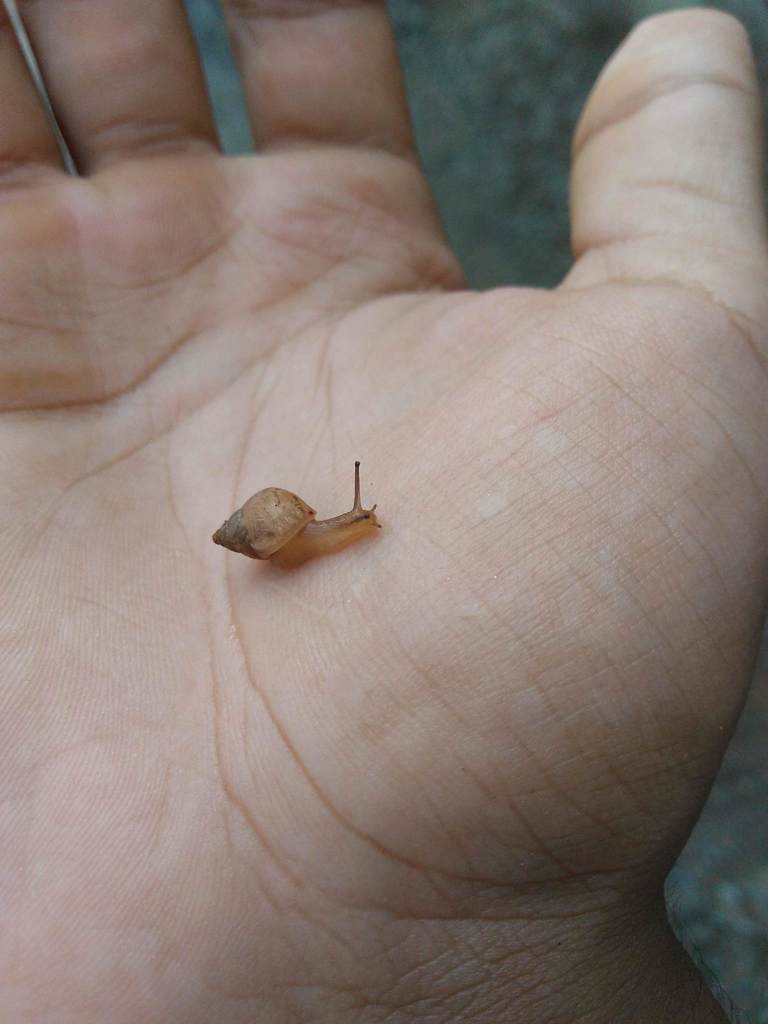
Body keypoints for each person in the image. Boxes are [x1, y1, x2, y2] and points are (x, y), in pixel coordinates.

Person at [1, 3, 764, 1021]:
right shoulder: (285, 534)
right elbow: (301, 527)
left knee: (348, 518)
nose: (277, 534)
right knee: (342, 520)